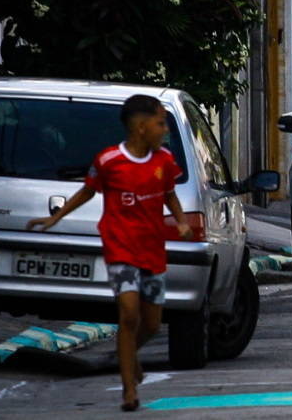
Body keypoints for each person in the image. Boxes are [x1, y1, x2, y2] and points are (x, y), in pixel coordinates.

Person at [27, 94, 192, 412]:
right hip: (120, 248)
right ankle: (129, 391)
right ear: (142, 127)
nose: (165, 129)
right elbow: (87, 191)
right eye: (160, 123)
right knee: (128, 313)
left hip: (152, 251)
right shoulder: (108, 160)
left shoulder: (165, 162)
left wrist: (182, 222)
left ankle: (129, 356)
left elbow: (170, 196)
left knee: (153, 325)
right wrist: (55, 217)